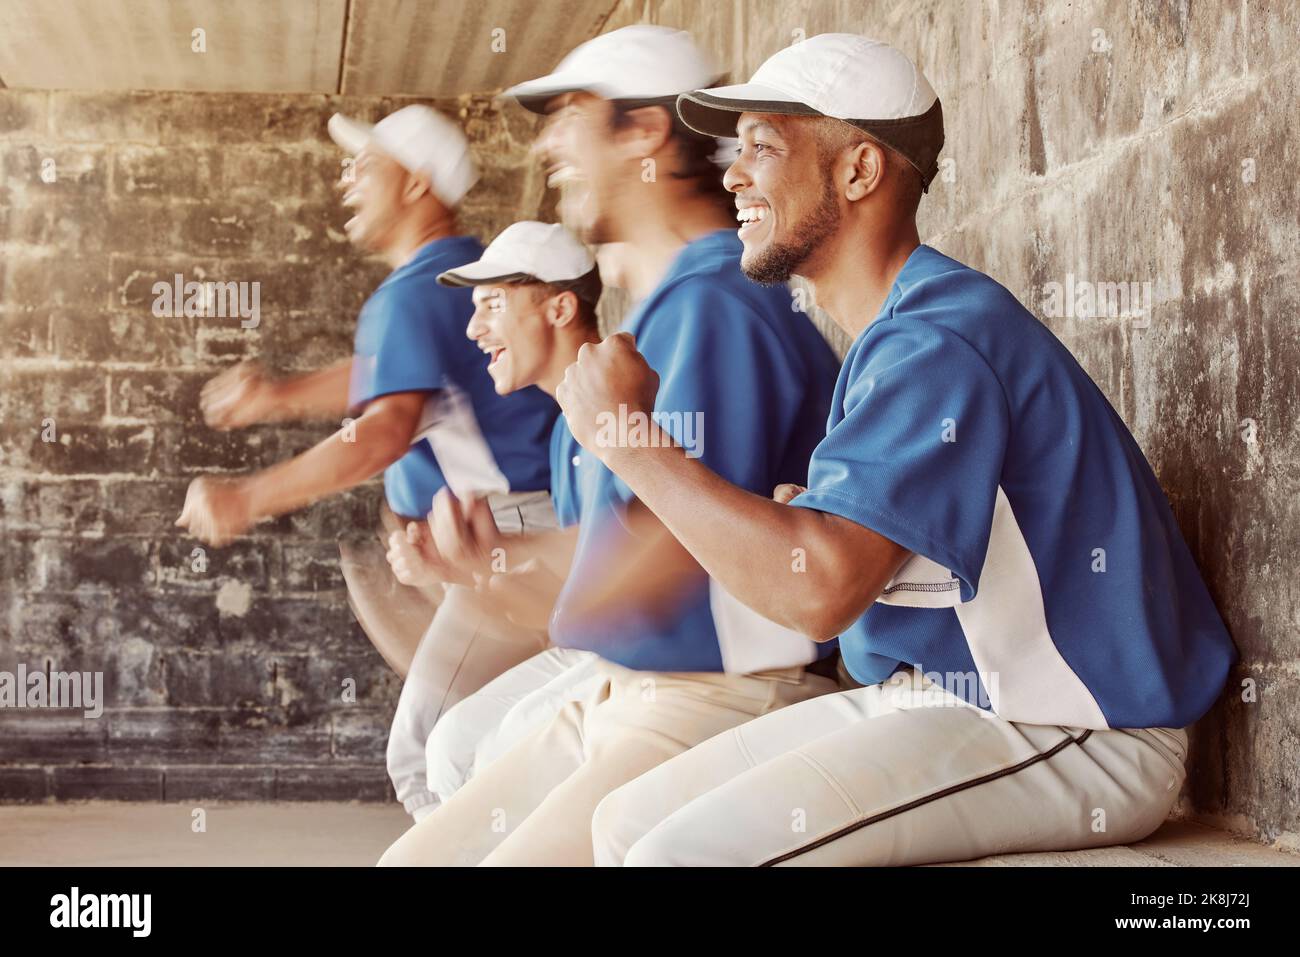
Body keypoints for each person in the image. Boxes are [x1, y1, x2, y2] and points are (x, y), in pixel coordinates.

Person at [548, 33, 1239, 866]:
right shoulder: (900, 331)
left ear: (860, 171)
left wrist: (627, 439)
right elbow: (851, 566)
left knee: (682, 854)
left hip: (1074, 724)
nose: (732, 173)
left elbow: (819, 592)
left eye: (764, 147)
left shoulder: (939, 335)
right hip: (932, 700)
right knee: (622, 823)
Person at [378, 26, 843, 867]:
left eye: (567, 115)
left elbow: (675, 550)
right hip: (627, 687)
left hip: (716, 694)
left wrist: (517, 596)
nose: (549, 142)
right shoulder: (668, 312)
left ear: (643, 133)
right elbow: (622, 540)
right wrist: (494, 566)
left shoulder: (717, 305)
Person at [177, 105, 559, 820]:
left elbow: (385, 428)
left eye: (364, 164)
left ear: (416, 185)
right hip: (531, 533)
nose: (345, 178)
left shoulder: (413, 295)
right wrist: (280, 396)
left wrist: (248, 496)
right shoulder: (453, 280)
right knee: (502, 743)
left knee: (423, 753)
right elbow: (393, 373)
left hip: (507, 539)